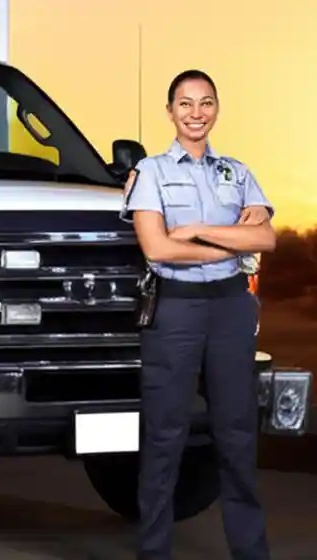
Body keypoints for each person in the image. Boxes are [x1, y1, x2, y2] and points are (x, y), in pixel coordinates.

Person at [121, 69, 277, 560]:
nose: (196, 113)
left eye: (205, 103)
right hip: (176, 310)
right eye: (185, 104)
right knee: (165, 436)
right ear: (170, 111)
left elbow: (265, 239)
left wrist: (194, 231)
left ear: (217, 109)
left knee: (236, 434)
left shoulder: (236, 171)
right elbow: (156, 248)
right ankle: (154, 552)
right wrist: (225, 242)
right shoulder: (150, 173)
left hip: (231, 308)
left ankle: (251, 552)